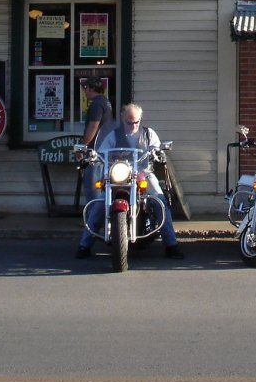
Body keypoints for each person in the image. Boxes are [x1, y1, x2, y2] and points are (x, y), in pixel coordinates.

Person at [76, 103, 184, 260]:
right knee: (99, 204)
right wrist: (93, 156)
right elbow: (101, 152)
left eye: (136, 122)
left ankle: (171, 245)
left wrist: (158, 153)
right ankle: (84, 245)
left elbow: (156, 148)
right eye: (129, 122)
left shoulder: (148, 134)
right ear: (122, 118)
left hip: (143, 174)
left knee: (159, 201)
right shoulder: (113, 135)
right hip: (118, 175)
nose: (133, 125)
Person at [78, 77, 113, 209]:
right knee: (101, 187)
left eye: (86, 88)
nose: (84, 91)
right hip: (105, 151)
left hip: (95, 153)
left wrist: (82, 147)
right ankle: (101, 218)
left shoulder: (97, 104)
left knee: (93, 187)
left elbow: (93, 126)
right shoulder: (105, 102)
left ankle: (93, 220)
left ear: (92, 88)